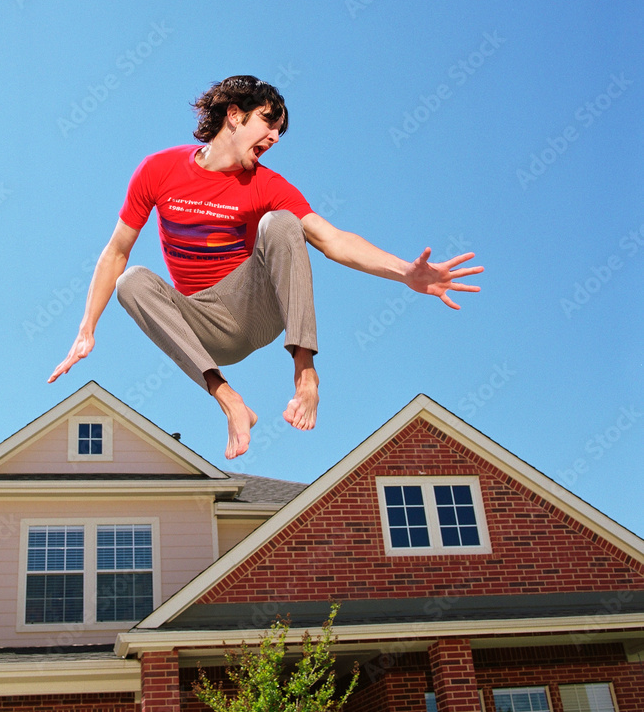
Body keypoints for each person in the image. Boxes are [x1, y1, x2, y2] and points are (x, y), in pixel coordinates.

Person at [49, 75, 483, 459]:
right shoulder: (158, 169)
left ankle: (305, 373)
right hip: (201, 324)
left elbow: (332, 239)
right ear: (234, 115)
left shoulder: (266, 184)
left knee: (281, 222)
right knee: (131, 281)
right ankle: (229, 400)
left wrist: (406, 272)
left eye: (279, 131)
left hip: (254, 306)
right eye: (268, 122)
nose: (274, 137)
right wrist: (87, 329)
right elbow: (117, 250)